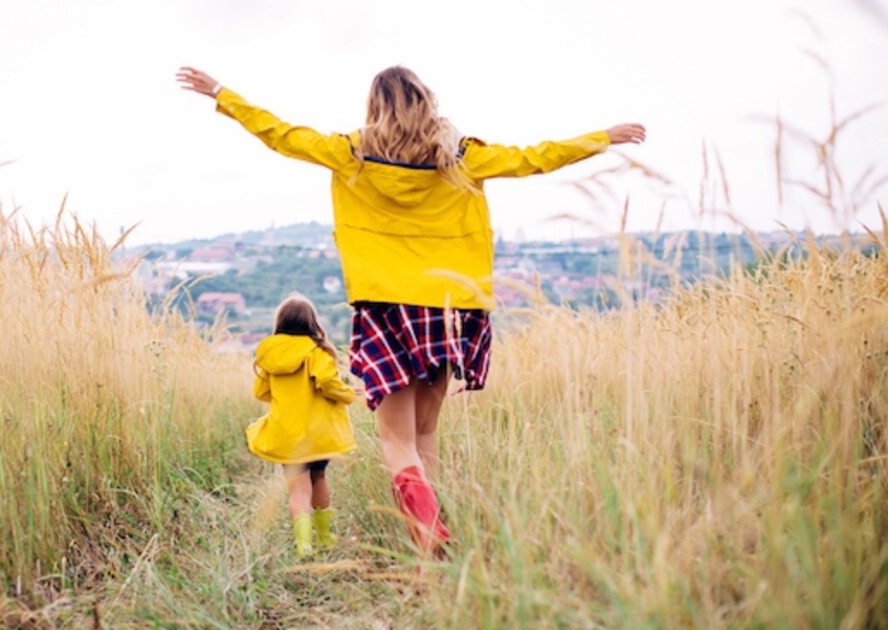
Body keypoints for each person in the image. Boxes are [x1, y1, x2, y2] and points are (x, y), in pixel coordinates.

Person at [178, 65, 645, 557]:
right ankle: (432, 544)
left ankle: (428, 539)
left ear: (374, 107)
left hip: (386, 307)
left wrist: (222, 94)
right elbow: (534, 159)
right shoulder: (462, 157)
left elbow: (282, 135)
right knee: (425, 435)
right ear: (427, 103)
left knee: (397, 442)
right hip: (452, 308)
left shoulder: (351, 154)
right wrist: (601, 139)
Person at [247, 294, 358, 558]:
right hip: (318, 435)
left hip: (288, 435)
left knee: (298, 489)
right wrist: (350, 394)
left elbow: (261, 392)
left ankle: (303, 545)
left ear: (280, 322)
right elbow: (328, 384)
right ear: (312, 323)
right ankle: (326, 540)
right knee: (319, 479)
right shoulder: (316, 353)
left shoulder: (271, 355)